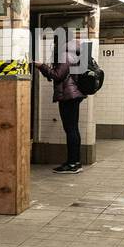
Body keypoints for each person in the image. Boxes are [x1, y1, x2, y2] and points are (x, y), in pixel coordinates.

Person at [37, 46, 86, 174]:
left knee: (71, 129)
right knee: (73, 129)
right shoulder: (71, 54)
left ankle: (73, 163)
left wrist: (41, 65)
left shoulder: (66, 55)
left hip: (69, 96)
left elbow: (57, 75)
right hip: (72, 95)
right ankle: (74, 162)